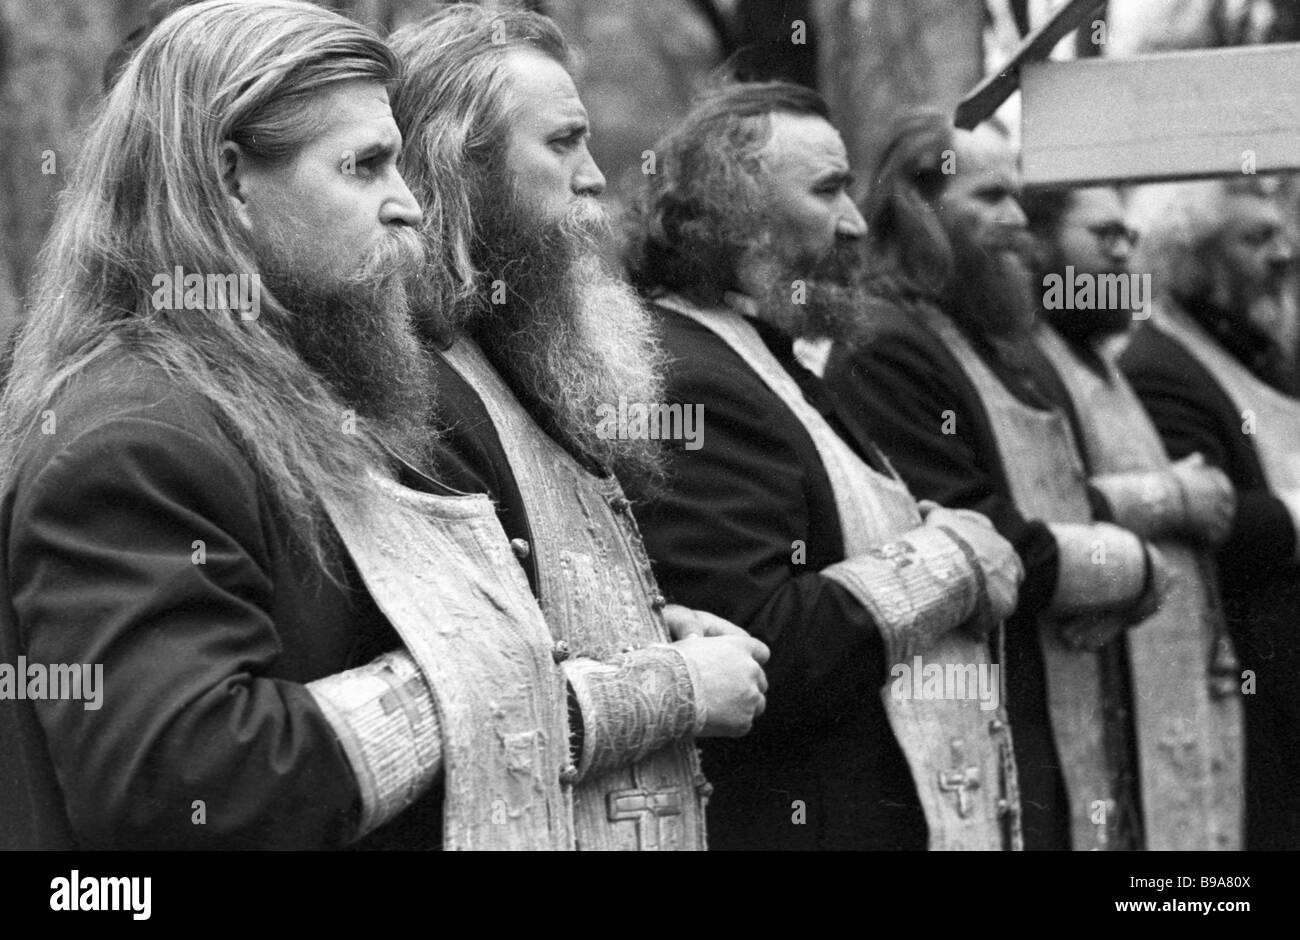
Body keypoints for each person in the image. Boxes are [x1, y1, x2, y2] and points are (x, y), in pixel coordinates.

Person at [0, 0, 759, 852]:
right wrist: (531, 677)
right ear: (228, 182)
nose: (408, 205)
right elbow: (183, 781)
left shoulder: (292, 396)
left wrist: (615, 640)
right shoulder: (139, 437)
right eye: (364, 166)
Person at [388, 6, 769, 852]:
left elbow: (539, 622)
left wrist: (654, 628)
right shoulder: (408, 386)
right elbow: (460, 697)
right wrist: (676, 688)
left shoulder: (511, 345)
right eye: (563, 143)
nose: (595, 176)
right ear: (460, 163)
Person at [621, 82, 1026, 851]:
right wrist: (951, 561)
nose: (857, 222)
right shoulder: (691, 375)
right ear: (731, 214)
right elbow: (756, 643)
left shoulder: (762, 354)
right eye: (828, 191)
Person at [822, 116, 1171, 850]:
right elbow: (977, 534)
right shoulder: (885, 347)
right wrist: (1132, 568)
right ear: (920, 208)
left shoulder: (992, 341)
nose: (1020, 223)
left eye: (1019, 199)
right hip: (984, 719)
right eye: (989, 199)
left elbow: (1063, 501)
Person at [1022, 183, 1244, 850]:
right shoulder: (1030, 361)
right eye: (1101, 236)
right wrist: (1171, 498)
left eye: (1129, 237)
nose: (1123, 254)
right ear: (1038, 249)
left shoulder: (1103, 360)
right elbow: (1041, 505)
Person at [1119, 177, 1300, 849]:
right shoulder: (1160, 368)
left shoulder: (1256, 354)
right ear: (1192, 257)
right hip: (1238, 698)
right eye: (1256, 239)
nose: (1284, 253)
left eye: (1280, 232)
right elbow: (1217, 531)